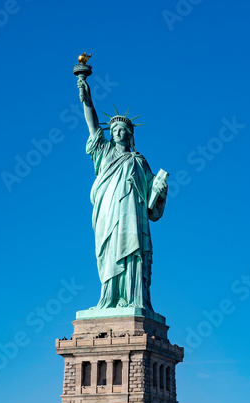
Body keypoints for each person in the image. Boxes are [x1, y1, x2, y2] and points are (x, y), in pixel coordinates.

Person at [77, 75, 168, 311]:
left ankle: (134, 298)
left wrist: (159, 190)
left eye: (122, 130)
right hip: (108, 213)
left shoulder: (139, 161)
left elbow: (151, 205)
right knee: (109, 254)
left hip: (132, 215)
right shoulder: (104, 152)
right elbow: (92, 124)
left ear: (130, 134)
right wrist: (87, 99)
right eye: (114, 129)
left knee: (133, 252)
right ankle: (108, 298)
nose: (117, 133)